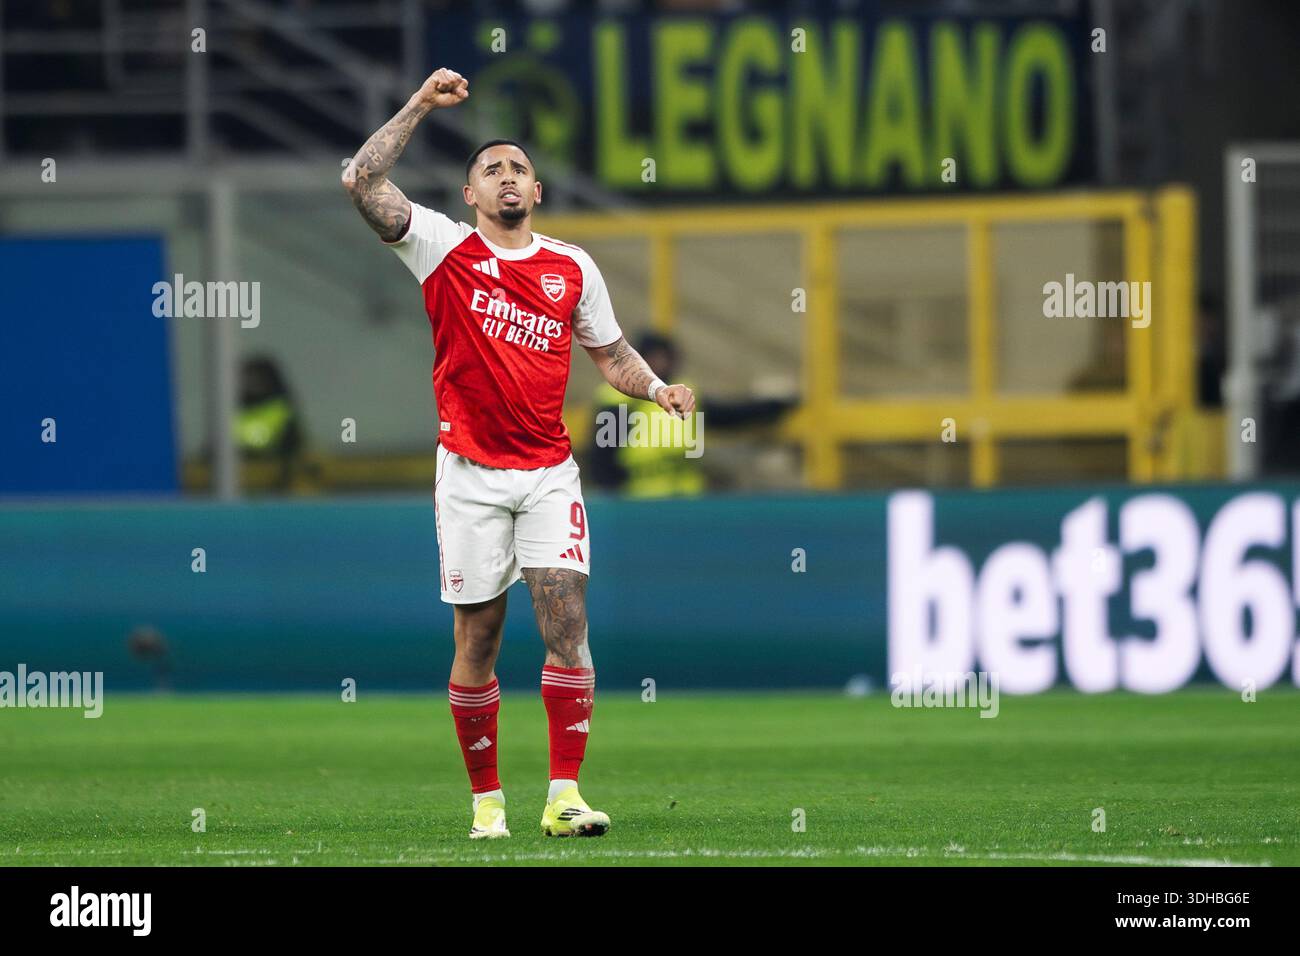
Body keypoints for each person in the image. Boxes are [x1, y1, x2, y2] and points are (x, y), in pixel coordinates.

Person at [342, 68, 695, 839]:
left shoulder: (572, 267)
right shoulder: (442, 247)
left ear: (536, 193)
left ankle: (564, 797)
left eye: (520, 169)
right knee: (480, 636)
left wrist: (657, 387)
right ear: (469, 195)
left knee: (567, 622)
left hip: (546, 472)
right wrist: (418, 105)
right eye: (491, 169)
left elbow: (610, 354)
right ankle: (487, 804)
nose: (507, 176)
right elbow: (361, 179)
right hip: (468, 472)